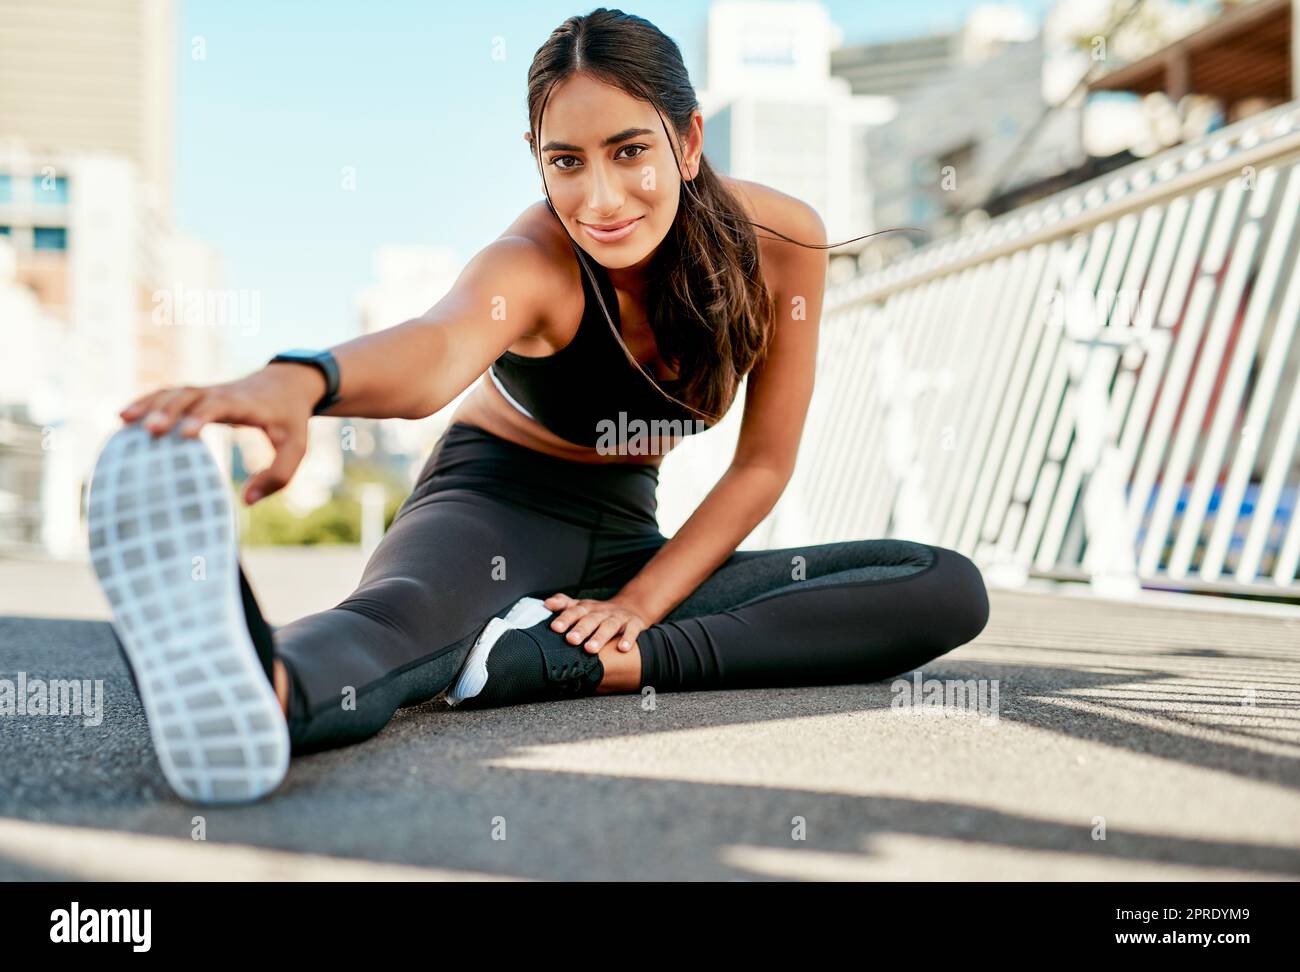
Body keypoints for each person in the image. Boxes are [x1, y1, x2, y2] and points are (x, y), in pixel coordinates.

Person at [87, 9, 990, 805]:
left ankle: (564, 662)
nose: (599, 199)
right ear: (539, 163)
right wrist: (305, 377)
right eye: (567, 161)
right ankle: (256, 692)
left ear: (687, 140)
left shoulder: (780, 243)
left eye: (630, 151)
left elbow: (764, 464)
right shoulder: (535, 261)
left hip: (631, 540)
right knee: (397, 623)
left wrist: (636, 608)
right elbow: (436, 349)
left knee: (942, 586)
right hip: (494, 505)